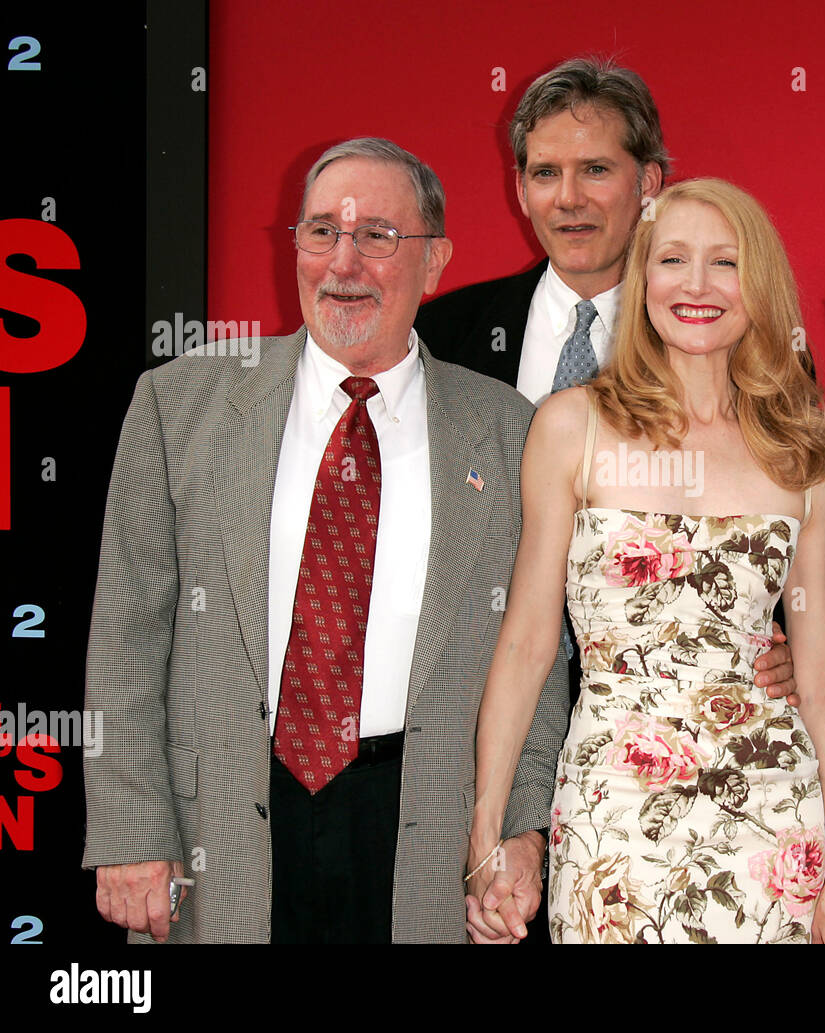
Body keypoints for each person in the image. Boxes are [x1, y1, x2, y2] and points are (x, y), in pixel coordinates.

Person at [82, 137, 570, 943]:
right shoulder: (179, 405)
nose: (343, 262)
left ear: (436, 261)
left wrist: (523, 825)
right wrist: (134, 829)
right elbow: (126, 635)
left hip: (424, 834)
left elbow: (537, 651)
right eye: (320, 233)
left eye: (379, 236)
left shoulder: (509, 429)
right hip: (224, 828)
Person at [465, 178, 825, 943]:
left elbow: (822, 674)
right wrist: (486, 832)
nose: (695, 285)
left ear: (757, 285)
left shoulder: (804, 452)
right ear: (641, 279)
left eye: (724, 263)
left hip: (775, 823)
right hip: (613, 821)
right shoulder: (571, 427)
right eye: (673, 260)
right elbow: (524, 644)